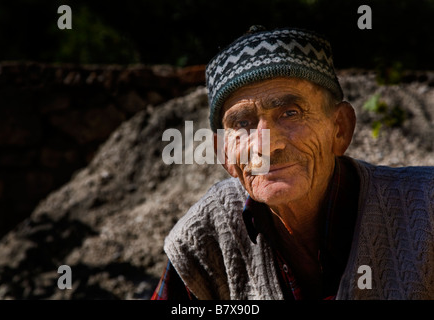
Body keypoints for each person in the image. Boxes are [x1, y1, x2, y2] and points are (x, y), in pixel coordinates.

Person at [151, 26, 434, 300]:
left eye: (290, 113)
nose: (268, 145)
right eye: (243, 123)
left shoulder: (426, 209)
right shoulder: (206, 233)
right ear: (225, 153)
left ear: (339, 128)